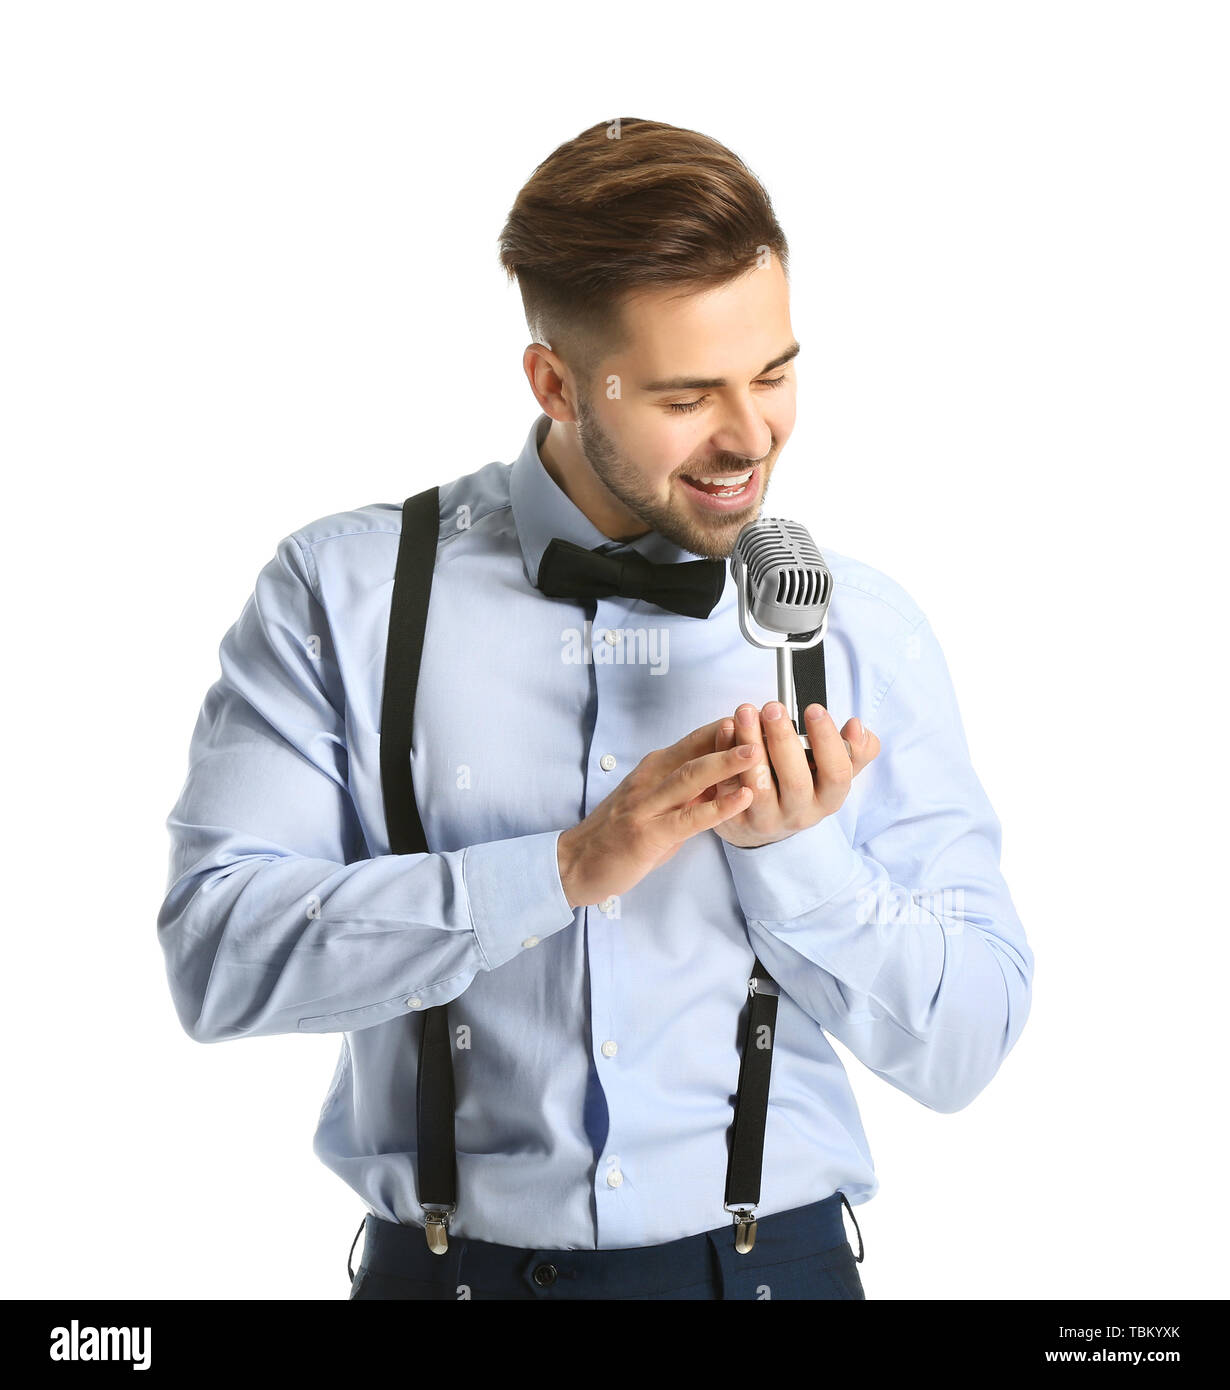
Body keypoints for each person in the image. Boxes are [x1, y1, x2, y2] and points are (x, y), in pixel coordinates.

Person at [158, 117, 1033, 1301]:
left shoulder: (859, 625)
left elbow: (967, 1041)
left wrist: (799, 861)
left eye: (775, 373)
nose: (752, 436)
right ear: (556, 381)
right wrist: (561, 866)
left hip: (772, 1272)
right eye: (686, 395)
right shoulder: (345, 594)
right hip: (444, 1278)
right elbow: (217, 953)